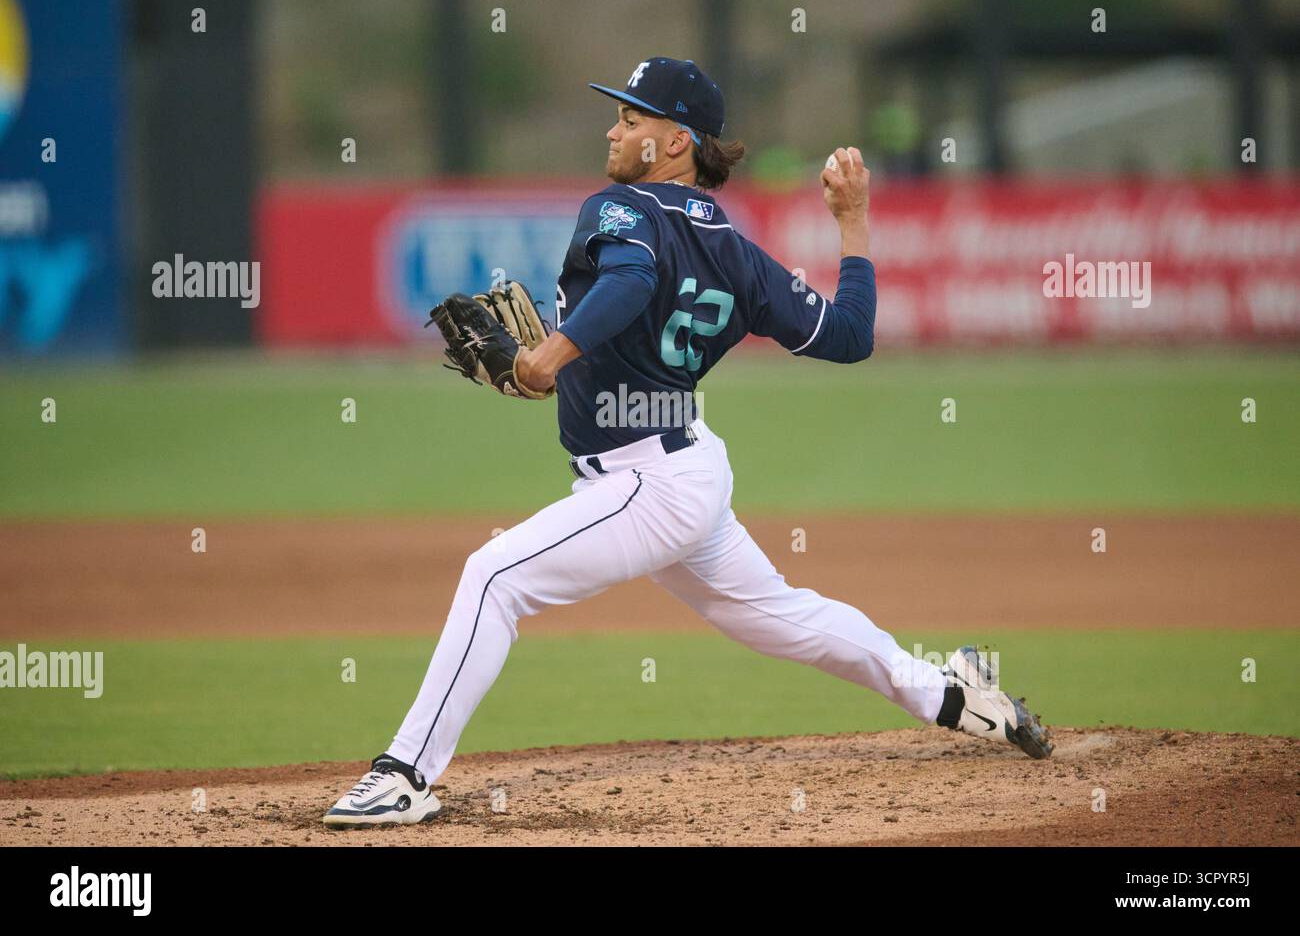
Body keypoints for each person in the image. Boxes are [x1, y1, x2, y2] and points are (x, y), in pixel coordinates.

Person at [323, 57, 1051, 828]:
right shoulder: (735, 252)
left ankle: (404, 775)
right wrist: (853, 224)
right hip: (683, 468)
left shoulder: (620, 208)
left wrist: (548, 356)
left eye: (632, 119)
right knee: (783, 616)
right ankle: (953, 694)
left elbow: (633, 282)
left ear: (675, 142)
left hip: (647, 485)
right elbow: (850, 335)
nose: (614, 129)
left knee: (495, 576)